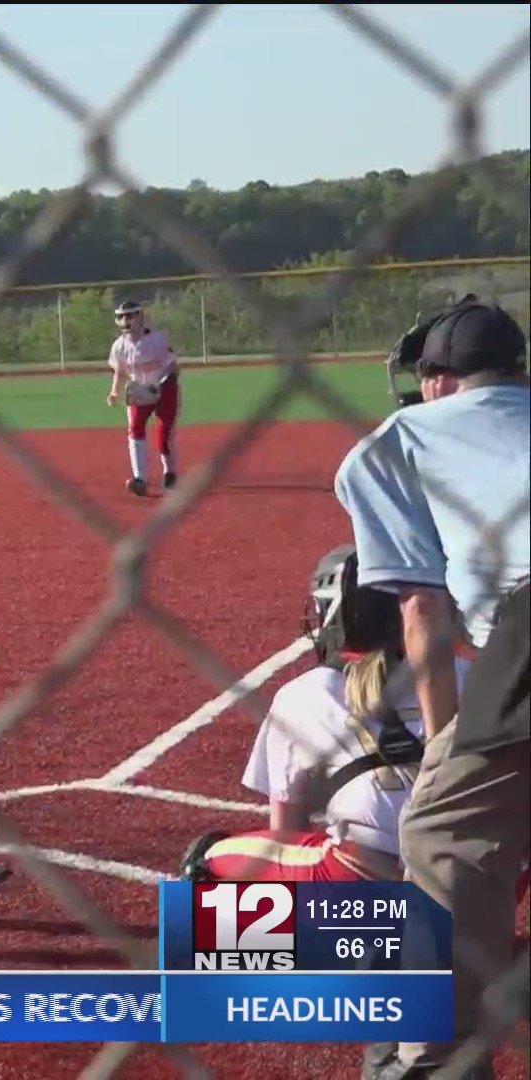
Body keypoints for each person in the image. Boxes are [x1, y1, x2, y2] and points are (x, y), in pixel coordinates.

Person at [332, 297, 529, 1080]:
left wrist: (443, 749)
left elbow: (422, 609)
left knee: (439, 836)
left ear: (438, 380)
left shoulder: (403, 438)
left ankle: (437, 1060)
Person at [180, 545, 469, 884]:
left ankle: (253, 933)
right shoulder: (464, 674)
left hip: (365, 871)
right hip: (476, 871)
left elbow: (287, 833)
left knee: (209, 855)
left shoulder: (303, 694)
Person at [104, 299, 181, 497]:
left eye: (129, 315)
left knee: (163, 437)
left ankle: (170, 472)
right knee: (135, 429)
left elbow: (172, 366)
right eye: (120, 317)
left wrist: (164, 385)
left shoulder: (156, 340)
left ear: (140, 317)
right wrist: (115, 392)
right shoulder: (119, 346)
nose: (125, 320)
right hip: (139, 391)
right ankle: (140, 478)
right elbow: (120, 372)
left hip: (164, 389)